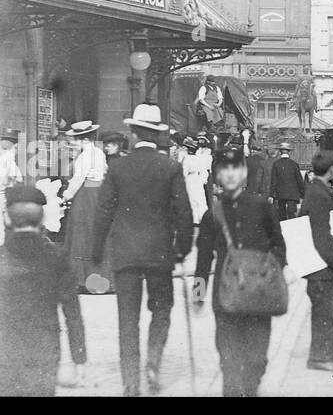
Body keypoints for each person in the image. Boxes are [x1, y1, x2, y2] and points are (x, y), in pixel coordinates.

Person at [92, 104, 193, 396]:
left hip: (125, 254)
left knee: (127, 319)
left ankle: (130, 382)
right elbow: (183, 213)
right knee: (161, 310)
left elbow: (103, 212)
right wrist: (182, 249)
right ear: (158, 134)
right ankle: (153, 361)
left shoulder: (117, 167)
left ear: (134, 133)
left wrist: (97, 250)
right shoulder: (170, 167)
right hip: (159, 253)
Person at [193, 146, 286, 396]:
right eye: (225, 169)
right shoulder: (211, 215)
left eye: (236, 168)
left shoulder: (262, 207)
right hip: (226, 299)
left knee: (257, 361)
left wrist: (271, 274)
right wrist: (198, 295)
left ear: (244, 172)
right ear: (217, 175)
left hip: (259, 296)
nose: (231, 174)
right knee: (230, 363)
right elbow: (203, 261)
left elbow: (279, 246)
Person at [0, 184, 87, 397]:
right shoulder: (57, 259)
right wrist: (79, 358)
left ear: (7, 219)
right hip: (45, 352)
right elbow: (72, 314)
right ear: (41, 221)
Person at [300, 150, 333, 371]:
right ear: (331, 169)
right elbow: (321, 236)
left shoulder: (318, 189)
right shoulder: (318, 194)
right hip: (320, 266)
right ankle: (319, 358)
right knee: (325, 310)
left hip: (322, 264)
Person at [62, 121, 109, 290]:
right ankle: (98, 280)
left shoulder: (85, 156)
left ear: (83, 140)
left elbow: (78, 180)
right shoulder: (99, 153)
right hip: (97, 193)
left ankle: (83, 280)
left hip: (86, 195)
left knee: (82, 232)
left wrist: (66, 196)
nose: (72, 143)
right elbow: (104, 173)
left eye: (75, 140)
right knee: (93, 232)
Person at [182, 134, 213, 226]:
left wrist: (183, 180)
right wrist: (203, 181)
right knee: (200, 198)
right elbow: (204, 171)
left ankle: (195, 219)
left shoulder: (187, 159)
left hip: (190, 179)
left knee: (192, 198)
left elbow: (184, 172)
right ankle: (200, 219)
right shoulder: (199, 159)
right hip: (198, 180)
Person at [270, 142, 304, 220]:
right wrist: (303, 193)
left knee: (282, 214)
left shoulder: (276, 164)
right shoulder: (294, 164)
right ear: (289, 152)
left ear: (280, 151)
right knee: (292, 213)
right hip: (292, 193)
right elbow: (299, 180)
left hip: (280, 193)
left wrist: (271, 194)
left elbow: (273, 180)